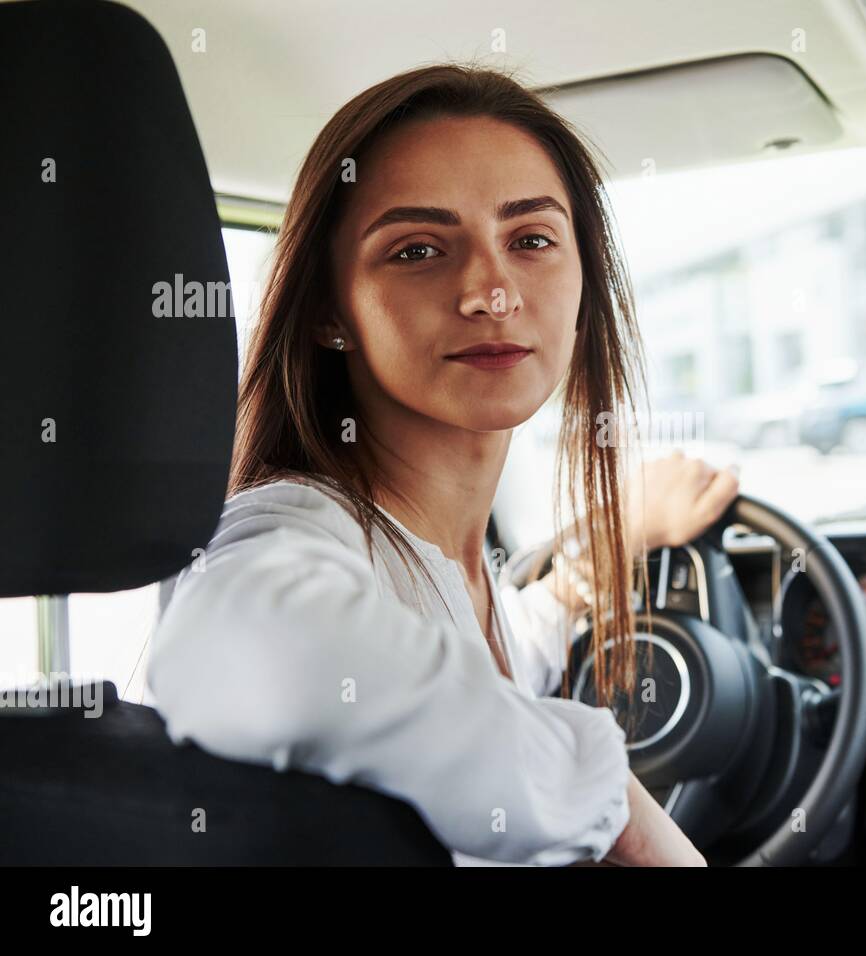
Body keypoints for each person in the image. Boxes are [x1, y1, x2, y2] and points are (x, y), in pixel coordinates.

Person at [146, 63, 740, 867]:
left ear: (584, 282)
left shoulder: (452, 562)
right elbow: (265, 649)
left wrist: (613, 541)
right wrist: (613, 800)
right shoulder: (285, 528)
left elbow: (467, 647)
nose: (491, 292)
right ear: (329, 311)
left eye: (531, 240)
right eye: (418, 249)